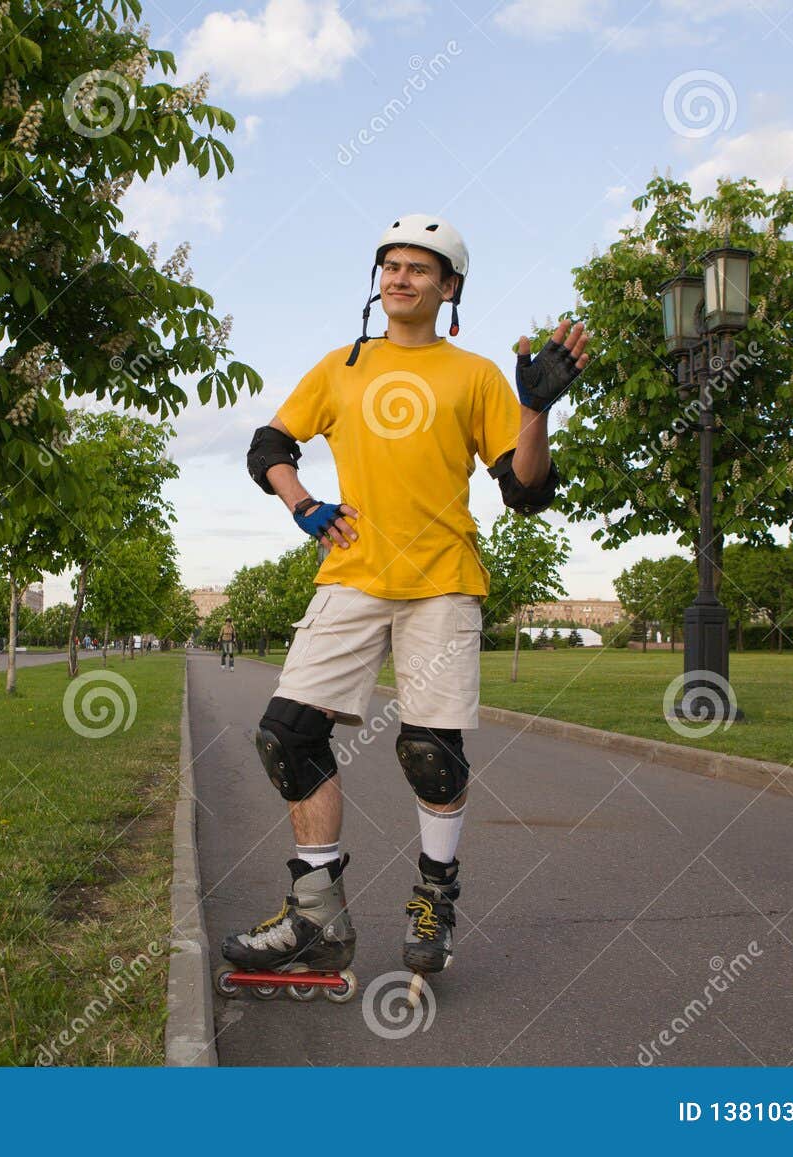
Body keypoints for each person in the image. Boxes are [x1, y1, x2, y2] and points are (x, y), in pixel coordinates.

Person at [223, 213, 589, 983]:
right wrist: (303, 504)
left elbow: (525, 491)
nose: (399, 276)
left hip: (442, 582)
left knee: (430, 751)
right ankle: (316, 911)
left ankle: (434, 897)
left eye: (419, 268)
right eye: (389, 265)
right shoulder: (341, 366)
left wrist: (537, 410)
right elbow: (269, 445)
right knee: (286, 735)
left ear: (448, 286)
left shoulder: (477, 373)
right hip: (351, 573)